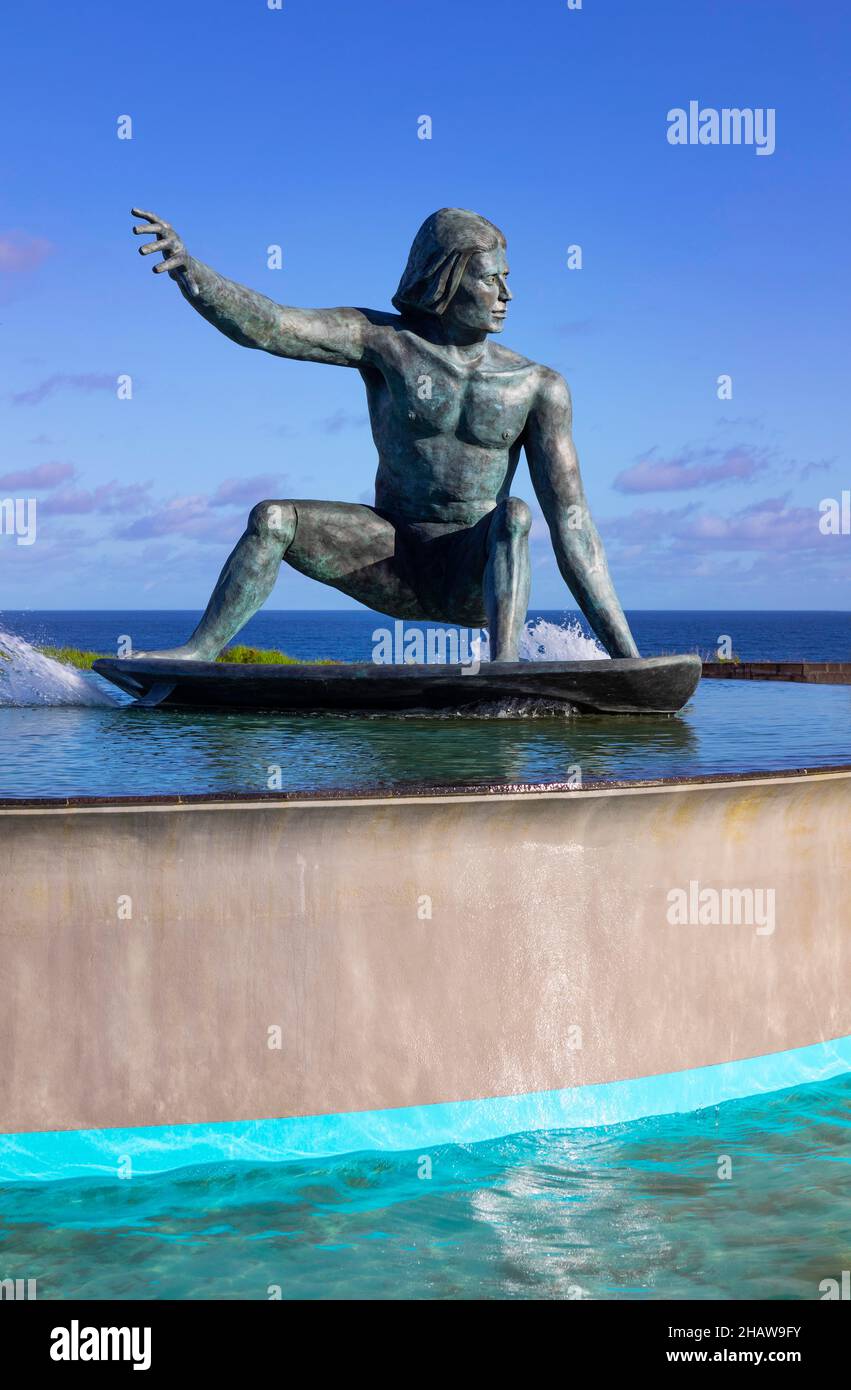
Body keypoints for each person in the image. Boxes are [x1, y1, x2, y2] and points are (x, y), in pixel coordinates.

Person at [131, 205, 639, 661]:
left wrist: (628, 659)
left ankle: (503, 669)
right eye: (489, 279)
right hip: (390, 557)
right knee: (271, 519)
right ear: (445, 280)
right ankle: (198, 653)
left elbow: (574, 527)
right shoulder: (384, 342)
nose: (507, 295)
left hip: (472, 573)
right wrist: (190, 271)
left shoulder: (538, 386)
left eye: (506, 278)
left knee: (515, 515)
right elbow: (271, 327)